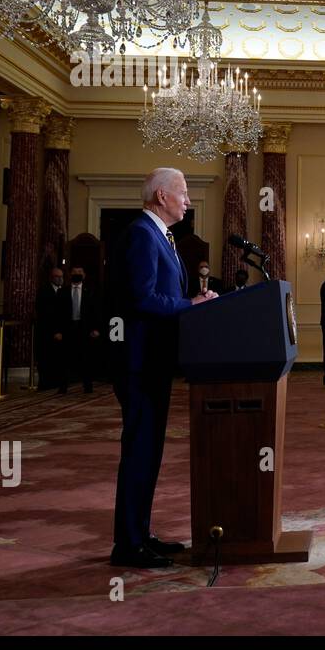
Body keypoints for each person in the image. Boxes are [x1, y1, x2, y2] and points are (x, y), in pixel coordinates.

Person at [109, 168, 216, 569]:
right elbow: (141, 300)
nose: (187, 201)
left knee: (149, 452)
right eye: (183, 194)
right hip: (138, 361)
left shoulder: (162, 236)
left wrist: (194, 299)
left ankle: (141, 534)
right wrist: (190, 306)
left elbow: (161, 295)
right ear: (160, 197)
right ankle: (128, 545)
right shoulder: (141, 233)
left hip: (155, 361)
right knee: (139, 451)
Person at [58, 265, 101, 394]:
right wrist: (58, 331)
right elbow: (57, 313)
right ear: (70, 275)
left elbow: (96, 312)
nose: (77, 274)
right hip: (68, 328)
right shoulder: (62, 292)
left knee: (86, 359)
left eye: (80, 272)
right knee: (65, 359)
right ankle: (63, 386)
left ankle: (87, 386)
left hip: (85, 329)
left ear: (84, 275)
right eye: (74, 272)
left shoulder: (91, 291)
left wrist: (96, 329)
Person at [34, 268, 66, 390]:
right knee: (45, 358)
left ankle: (56, 381)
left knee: (57, 359)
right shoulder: (44, 291)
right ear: (51, 278)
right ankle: (45, 383)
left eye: (61, 276)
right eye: (57, 277)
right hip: (46, 332)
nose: (60, 279)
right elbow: (44, 313)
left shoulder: (64, 291)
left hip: (61, 332)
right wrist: (54, 331)